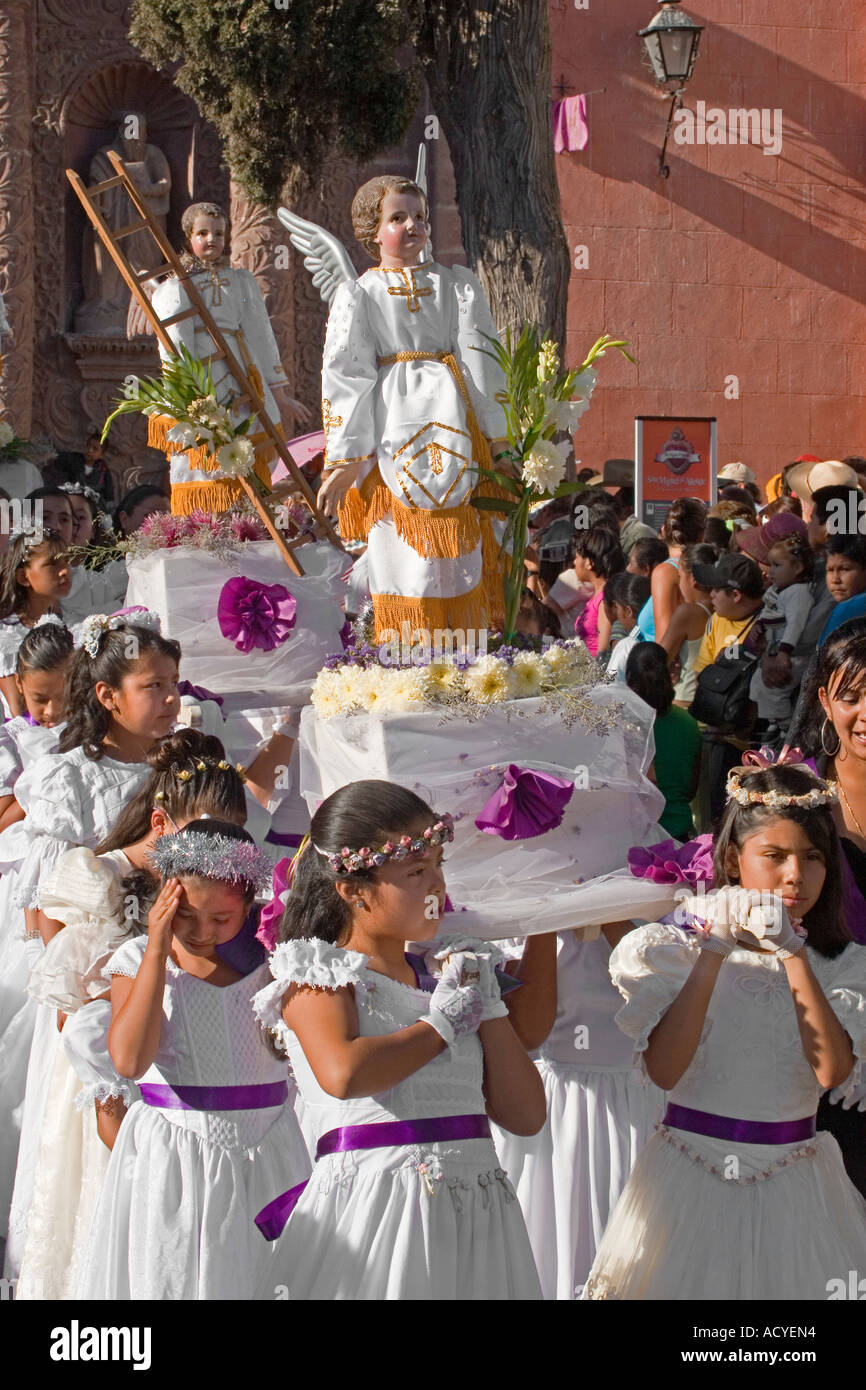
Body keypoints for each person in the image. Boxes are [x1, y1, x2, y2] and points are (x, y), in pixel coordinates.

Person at [252, 780, 546, 1300]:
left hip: (477, 1212)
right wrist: (441, 1025)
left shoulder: (444, 978)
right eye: (416, 872)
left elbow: (524, 1116)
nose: (437, 885)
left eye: (438, 865)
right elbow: (345, 1074)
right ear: (354, 890)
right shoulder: (320, 974)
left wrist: (489, 1004)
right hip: (380, 1212)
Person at [583, 763, 866, 1299]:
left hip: (794, 1185)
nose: (794, 876)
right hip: (690, 1177)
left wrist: (794, 955)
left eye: (812, 858)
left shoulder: (844, 964)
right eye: (775, 856)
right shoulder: (674, 947)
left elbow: (832, 1072)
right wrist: (713, 948)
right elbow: (664, 1069)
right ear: (735, 857)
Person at [14, 731, 253, 1300]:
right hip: (118, 1062)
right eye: (200, 832)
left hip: (199, 1065)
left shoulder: (230, 905)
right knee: (118, 1202)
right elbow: (74, 1000)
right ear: (165, 822)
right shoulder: (101, 878)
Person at [0, 614, 181, 1281]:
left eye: (173, 683)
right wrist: (77, 998)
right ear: (107, 695)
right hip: (95, 984)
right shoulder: (66, 777)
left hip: (176, 974)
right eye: (152, 685)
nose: (169, 698)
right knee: (100, 1141)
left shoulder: (183, 761)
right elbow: (51, 904)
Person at [75, 820, 310, 1300]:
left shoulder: (275, 962)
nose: (202, 932)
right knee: (178, 1278)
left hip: (268, 1150)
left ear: (248, 906)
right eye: (186, 915)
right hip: (179, 1158)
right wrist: (158, 948)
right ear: (165, 897)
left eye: (222, 919)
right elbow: (128, 1062)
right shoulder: (138, 959)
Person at [316, 175, 512, 641]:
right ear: (373, 231)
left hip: (453, 424)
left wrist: (499, 438)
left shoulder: (456, 285)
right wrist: (345, 458)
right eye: (398, 217)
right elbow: (347, 374)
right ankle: (409, 653)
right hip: (391, 427)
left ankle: (465, 651)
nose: (413, 225)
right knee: (402, 551)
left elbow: (481, 360)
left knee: (460, 550)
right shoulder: (360, 294)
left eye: (420, 216)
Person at [150, 202, 310, 515]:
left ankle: (247, 516)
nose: (211, 239)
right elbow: (175, 343)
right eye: (203, 233)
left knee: (248, 444)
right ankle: (209, 521)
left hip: (239, 370)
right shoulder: (176, 286)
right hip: (202, 372)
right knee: (206, 447)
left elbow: (261, 334)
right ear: (189, 237)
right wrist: (186, 392)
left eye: (219, 233)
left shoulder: (241, 281)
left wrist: (279, 393)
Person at [690, 552, 765, 822]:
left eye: (716, 590)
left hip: (754, 744)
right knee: (716, 817)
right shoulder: (717, 620)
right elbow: (702, 673)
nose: (710, 595)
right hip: (716, 737)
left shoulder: (768, 624)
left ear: (736, 595)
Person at [0, 619, 72, 831]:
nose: (52, 711)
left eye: (63, 697)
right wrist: (40, 778)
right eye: (40, 699)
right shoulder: (10, 742)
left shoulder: (88, 729)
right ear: (19, 684)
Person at [626, 643, 702, 841]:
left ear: (629, 679)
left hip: (637, 838)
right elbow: (691, 789)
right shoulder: (688, 723)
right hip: (680, 833)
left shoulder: (620, 724)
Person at [0, 530, 72, 718]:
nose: (64, 571)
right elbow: (18, 710)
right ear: (24, 577)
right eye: (52, 564)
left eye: (66, 561)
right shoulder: (7, 635)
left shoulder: (76, 620)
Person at [749, 532, 814, 734]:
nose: (771, 571)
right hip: (772, 650)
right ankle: (772, 724)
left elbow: (795, 624)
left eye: (777, 566)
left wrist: (784, 652)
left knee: (775, 688)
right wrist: (758, 627)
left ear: (797, 568)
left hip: (792, 655)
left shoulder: (800, 593)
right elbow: (768, 614)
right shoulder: (778, 590)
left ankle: (785, 728)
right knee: (758, 683)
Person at [636, 497, 706, 644]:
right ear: (702, 535)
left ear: (663, 530)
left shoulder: (665, 572)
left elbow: (664, 637)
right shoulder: (709, 564)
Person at [657, 542, 717, 707]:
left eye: (680, 576)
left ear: (692, 580)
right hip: (714, 703)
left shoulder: (688, 613)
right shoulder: (725, 609)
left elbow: (658, 658)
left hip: (685, 702)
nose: (679, 582)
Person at [573, 527, 624, 658]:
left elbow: (603, 652)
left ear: (589, 562)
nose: (574, 562)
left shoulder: (605, 598)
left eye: (577, 557)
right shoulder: (598, 595)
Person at [605, 573, 650, 681]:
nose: (617, 614)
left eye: (617, 608)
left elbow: (611, 687)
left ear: (629, 611)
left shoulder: (627, 645)